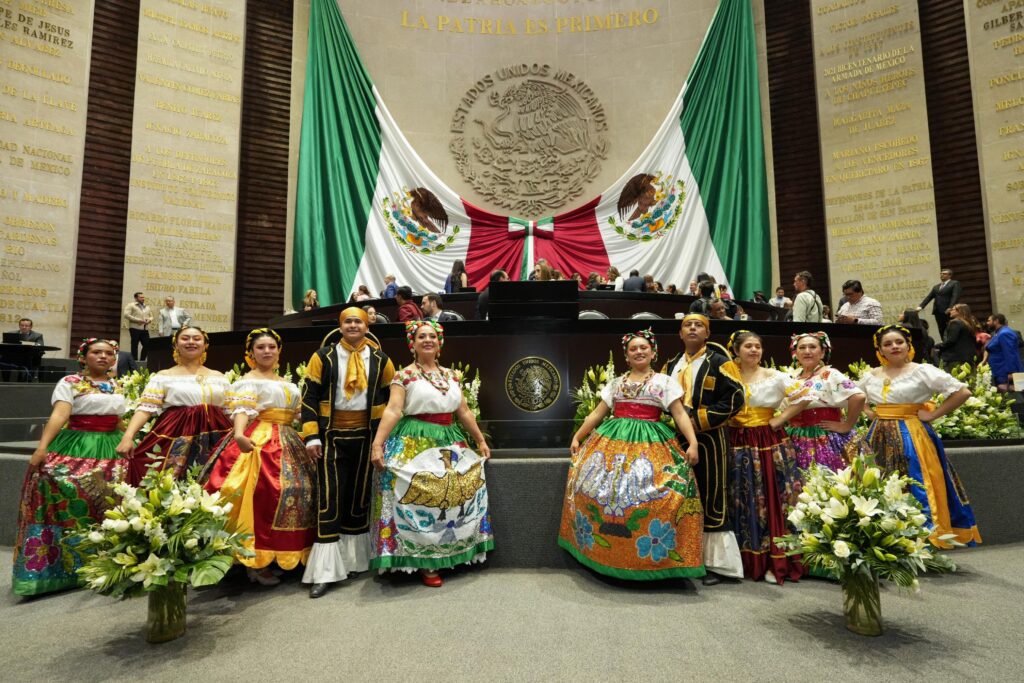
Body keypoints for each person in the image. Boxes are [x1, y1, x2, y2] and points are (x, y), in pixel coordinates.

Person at [560, 329, 704, 581]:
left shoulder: (664, 382)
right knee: (596, 490)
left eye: (643, 348)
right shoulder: (617, 383)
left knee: (658, 495)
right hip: (611, 441)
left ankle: (650, 562)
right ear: (626, 357)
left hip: (652, 445)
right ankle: (608, 557)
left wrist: (692, 443)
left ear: (653, 352)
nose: (639, 352)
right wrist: (578, 436)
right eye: (633, 349)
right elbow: (597, 413)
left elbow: (680, 414)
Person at [370, 321, 493, 586]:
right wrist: (378, 444)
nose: (428, 340)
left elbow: (463, 411)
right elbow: (393, 410)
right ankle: (424, 561)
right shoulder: (404, 376)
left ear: (440, 344)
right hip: (415, 438)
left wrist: (480, 440)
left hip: (450, 438)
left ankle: (454, 551)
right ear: (411, 344)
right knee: (422, 494)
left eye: (433, 337)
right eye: (421, 336)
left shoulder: (452, 375)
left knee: (457, 492)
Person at [12, 338, 128, 597]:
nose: (103, 357)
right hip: (78, 442)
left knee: (112, 500)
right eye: (96, 352)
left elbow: (119, 420)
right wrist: (42, 448)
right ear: (83, 357)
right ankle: (60, 568)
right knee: (65, 492)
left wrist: (133, 439)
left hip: (111, 444)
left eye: (109, 353)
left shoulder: (116, 384)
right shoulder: (70, 383)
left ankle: (107, 564)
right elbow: (60, 415)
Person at [202, 329, 316, 586]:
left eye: (271, 347)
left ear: (278, 350)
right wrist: (240, 433)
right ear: (251, 353)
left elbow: (299, 413)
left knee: (297, 490)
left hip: (288, 439)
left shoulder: (287, 383)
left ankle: (282, 553)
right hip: (259, 438)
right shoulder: (247, 382)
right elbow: (242, 410)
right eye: (261, 347)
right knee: (260, 491)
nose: (267, 351)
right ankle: (253, 558)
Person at [300, 307, 395, 599]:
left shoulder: (382, 360)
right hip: (330, 436)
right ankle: (324, 573)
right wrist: (311, 436)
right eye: (348, 321)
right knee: (329, 500)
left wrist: (384, 440)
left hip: (366, 437)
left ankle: (354, 562)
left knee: (358, 499)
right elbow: (309, 397)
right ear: (340, 326)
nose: (353, 325)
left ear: (368, 327)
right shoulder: (323, 357)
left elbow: (392, 399)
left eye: (359, 321)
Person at [860, 325, 981, 548]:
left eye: (899, 342)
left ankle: (923, 537)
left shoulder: (922, 370)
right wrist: (868, 411)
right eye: (887, 344)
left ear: (908, 346)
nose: (894, 347)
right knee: (879, 481)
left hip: (912, 433)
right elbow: (855, 396)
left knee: (917, 479)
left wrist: (934, 414)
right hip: (878, 434)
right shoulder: (872, 375)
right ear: (880, 350)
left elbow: (962, 392)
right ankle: (885, 534)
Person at [722, 331, 810, 584]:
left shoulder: (773, 376)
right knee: (740, 496)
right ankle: (742, 559)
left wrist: (781, 418)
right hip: (735, 441)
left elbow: (806, 395)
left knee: (772, 495)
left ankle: (776, 560)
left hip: (767, 441)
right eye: (748, 346)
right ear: (736, 350)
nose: (753, 351)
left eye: (757, 346)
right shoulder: (727, 375)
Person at [663, 314, 745, 585]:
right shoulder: (671, 364)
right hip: (676, 439)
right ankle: (681, 556)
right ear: (680, 333)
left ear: (707, 333)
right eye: (688, 325)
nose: (693, 328)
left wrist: (696, 420)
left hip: (710, 440)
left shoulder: (720, 363)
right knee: (678, 496)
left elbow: (735, 398)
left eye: (699, 325)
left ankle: (716, 565)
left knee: (712, 496)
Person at [118, 326, 232, 484]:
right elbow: (145, 409)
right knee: (170, 480)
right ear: (176, 345)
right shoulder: (164, 376)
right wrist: (128, 436)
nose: (191, 342)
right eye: (185, 338)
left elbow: (230, 412)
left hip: (217, 436)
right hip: (176, 434)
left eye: (197, 338)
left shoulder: (219, 377)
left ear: (205, 345)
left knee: (217, 480)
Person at [778, 332, 865, 471]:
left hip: (823, 437)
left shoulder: (829, 374)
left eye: (812, 347)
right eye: (802, 348)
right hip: (794, 436)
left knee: (827, 480)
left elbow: (858, 396)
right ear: (796, 353)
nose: (807, 351)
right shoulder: (792, 378)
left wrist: (847, 425)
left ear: (822, 352)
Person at [985, 314, 1024, 391]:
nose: (987, 323)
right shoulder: (999, 333)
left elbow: (1010, 354)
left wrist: (1011, 372)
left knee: (1015, 397)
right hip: (1000, 370)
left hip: (1005, 372)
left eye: (989, 320)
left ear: (996, 321)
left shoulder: (1005, 333)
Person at [918, 268, 961, 338]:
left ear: (949, 275)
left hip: (948, 311)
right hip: (938, 311)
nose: (942, 275)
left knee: (950, 328)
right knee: (941, 329)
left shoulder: (954, 283)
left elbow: (955, 296)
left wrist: (950, 307)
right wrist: (920, 306)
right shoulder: (936, 287)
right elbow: (929, 297)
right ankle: (944, 343)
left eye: (944, 274)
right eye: (941, 273)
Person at [935, 303, 978, 368]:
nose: (950, 311)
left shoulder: (956, 323)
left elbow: (951, 341)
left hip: (956, 358)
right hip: (968, 357)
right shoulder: (969, 323)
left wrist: (937, 346)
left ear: (959, 311)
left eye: (953, 309)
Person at [122, 292, 153, 360]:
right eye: (141, 297)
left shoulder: (147, 306)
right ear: (136, 298)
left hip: (145, 329)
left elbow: (151, 316)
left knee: (147, 345)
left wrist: (149, 320)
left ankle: (142, 361)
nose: (143, 298)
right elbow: (126, 315)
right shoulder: (131, 305)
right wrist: (138, 320)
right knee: (134, 345)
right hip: (134, 328)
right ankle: (134, 361)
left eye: (143, 297)